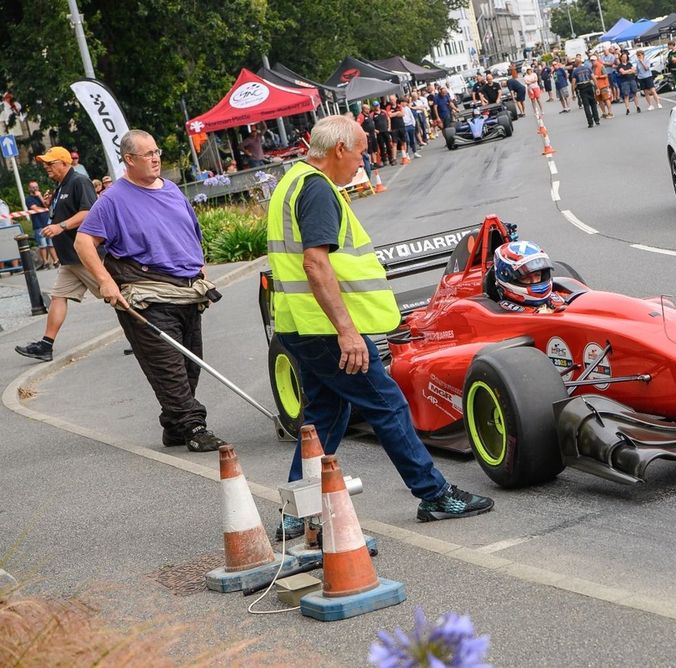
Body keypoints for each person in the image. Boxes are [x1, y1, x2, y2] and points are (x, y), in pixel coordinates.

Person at [265, 115, 494, 532]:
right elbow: (316, 263)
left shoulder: (293, 181)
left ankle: (298, 514)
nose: (364, 159)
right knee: (387, 404)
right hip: (328, 329)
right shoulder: (317, 190)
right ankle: (434, 494)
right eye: (360, 150)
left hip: (302, 326)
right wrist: (348, 331)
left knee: (324, 417)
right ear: (338, 150)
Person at [73, 130, 227, 453]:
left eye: (157, 152)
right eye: (148, 154)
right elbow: (83, 241)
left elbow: (191, 232)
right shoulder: (113, 199)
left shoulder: (171, 190)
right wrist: (105, 280)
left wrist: (199, 266)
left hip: (187, 293)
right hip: (146, 296)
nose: (156, 158)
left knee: (190, 363)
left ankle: (174, 426)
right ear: (129, 160)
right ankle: (194, 426)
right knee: (168, 366)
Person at [15, 147, 99, 363]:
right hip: (69, 258)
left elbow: (89, 211)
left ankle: (145, 334)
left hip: (85, 256)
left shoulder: (79, 181)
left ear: (64, 163)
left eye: (50, 163)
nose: (46, 167)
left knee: (115, 296)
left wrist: (61, 226)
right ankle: (46, 345)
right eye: (45, 163)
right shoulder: (60, 186)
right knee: (58, 297)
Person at [491, 241, 564, 314]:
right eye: (525, 278)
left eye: (537, 275)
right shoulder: (503, 313)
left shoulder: (558, 298)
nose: (535, 281)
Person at [25, 180, 58, 269]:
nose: (35, 188)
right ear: (29, 188)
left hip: (47, 223)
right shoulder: (29, 199)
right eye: (33, 187)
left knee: (51, 244)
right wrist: (43, 208)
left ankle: (55, 261)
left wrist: (40, 196)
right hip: (38, 225)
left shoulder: (41, 197)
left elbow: (46, 205)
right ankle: (45, 262)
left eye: (36, 187)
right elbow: (34, 208)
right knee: (43, 245)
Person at [571, 55, 600, 128]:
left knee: (586, 106)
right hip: (589, 85)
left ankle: (590, 122)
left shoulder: (575, 71)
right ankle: (597, 119)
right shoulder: (587, 68)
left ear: (576, 63)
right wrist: (597, 88)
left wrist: (573, 93)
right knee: (593, 103)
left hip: (582, 88)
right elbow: (593, 78)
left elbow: (573, 83)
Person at [592, 55, 613, 120]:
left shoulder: (601, 66)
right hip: (596, 86)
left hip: (604, 85)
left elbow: (606, 75)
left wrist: (598, 76)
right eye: (591, 60)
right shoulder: (592, 67)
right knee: (600, 100)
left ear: (596, 60)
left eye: (593, 60)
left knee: (606, 99)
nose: (592, 62)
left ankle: (610, 113)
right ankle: (604, 113)